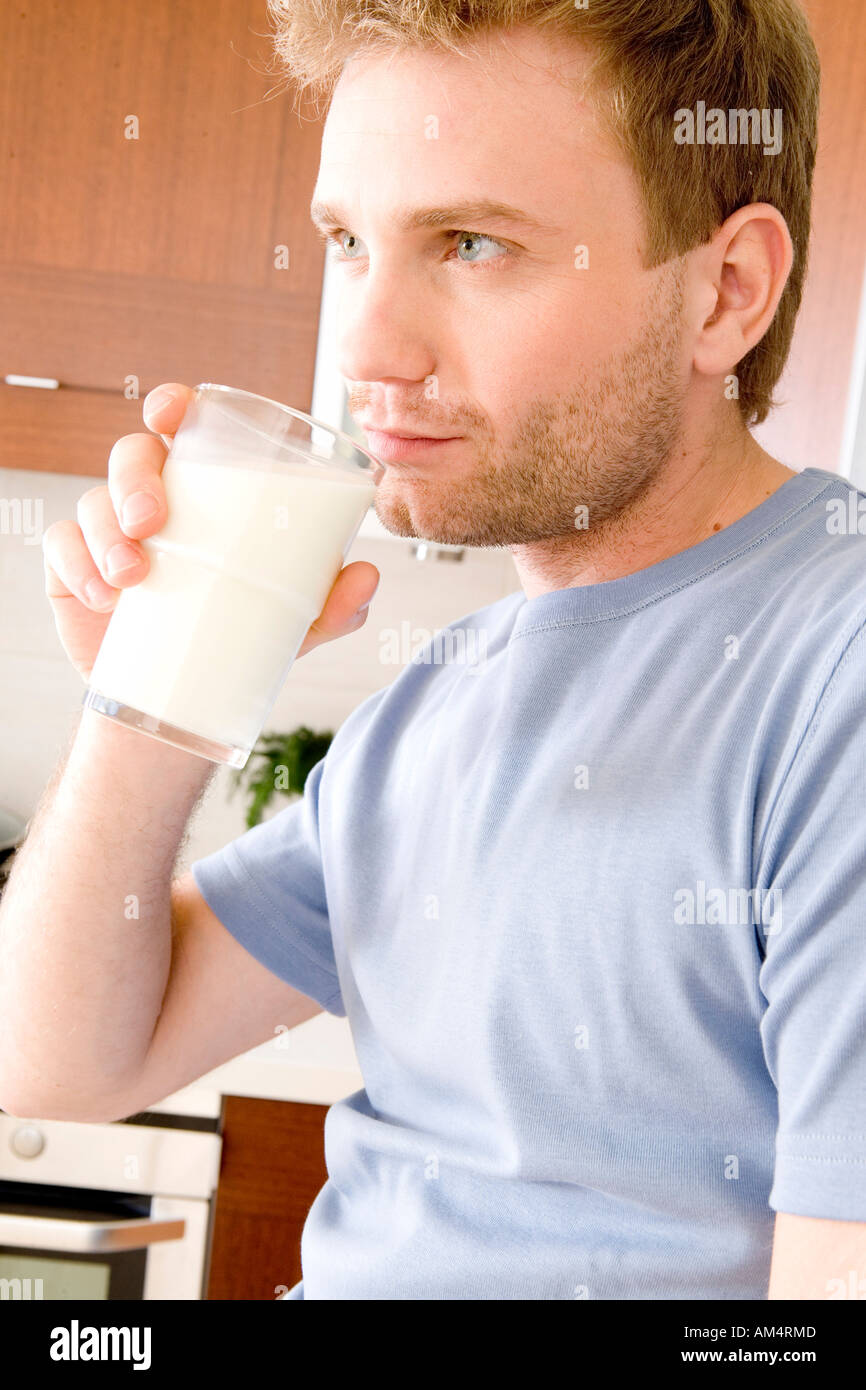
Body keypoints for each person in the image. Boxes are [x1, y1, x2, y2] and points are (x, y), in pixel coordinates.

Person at [2, 0, 864, 1300]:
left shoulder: (832, 673)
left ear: (722, 291)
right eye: (348, 241)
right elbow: (59, 1060)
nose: (362, 350)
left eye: (469, 243)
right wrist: (149, 693)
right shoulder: (441, 697)